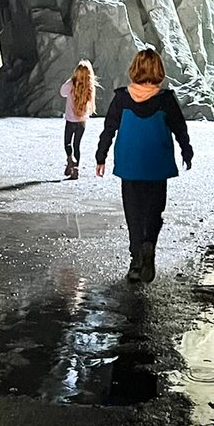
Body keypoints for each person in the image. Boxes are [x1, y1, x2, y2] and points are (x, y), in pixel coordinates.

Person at [95, 48, 193, 283]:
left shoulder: (121, 98)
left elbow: (108, 130)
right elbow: (180, 128)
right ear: (158, 70)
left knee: (134, 213)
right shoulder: (165, 99)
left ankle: (136, 260)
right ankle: (149, 245)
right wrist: (187, 151)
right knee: (154, 211)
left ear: (135, 69)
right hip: (157, 164)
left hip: (129, 163)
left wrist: (101, 157)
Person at [60, 60, 98, 179]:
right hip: (82, 121)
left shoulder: (72, 84)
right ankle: (75, 169)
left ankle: (70, 160)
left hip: (70, 120)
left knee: (67, 143)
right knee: (77, 145)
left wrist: (71, 79)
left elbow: (62, 92)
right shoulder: (90, 87)